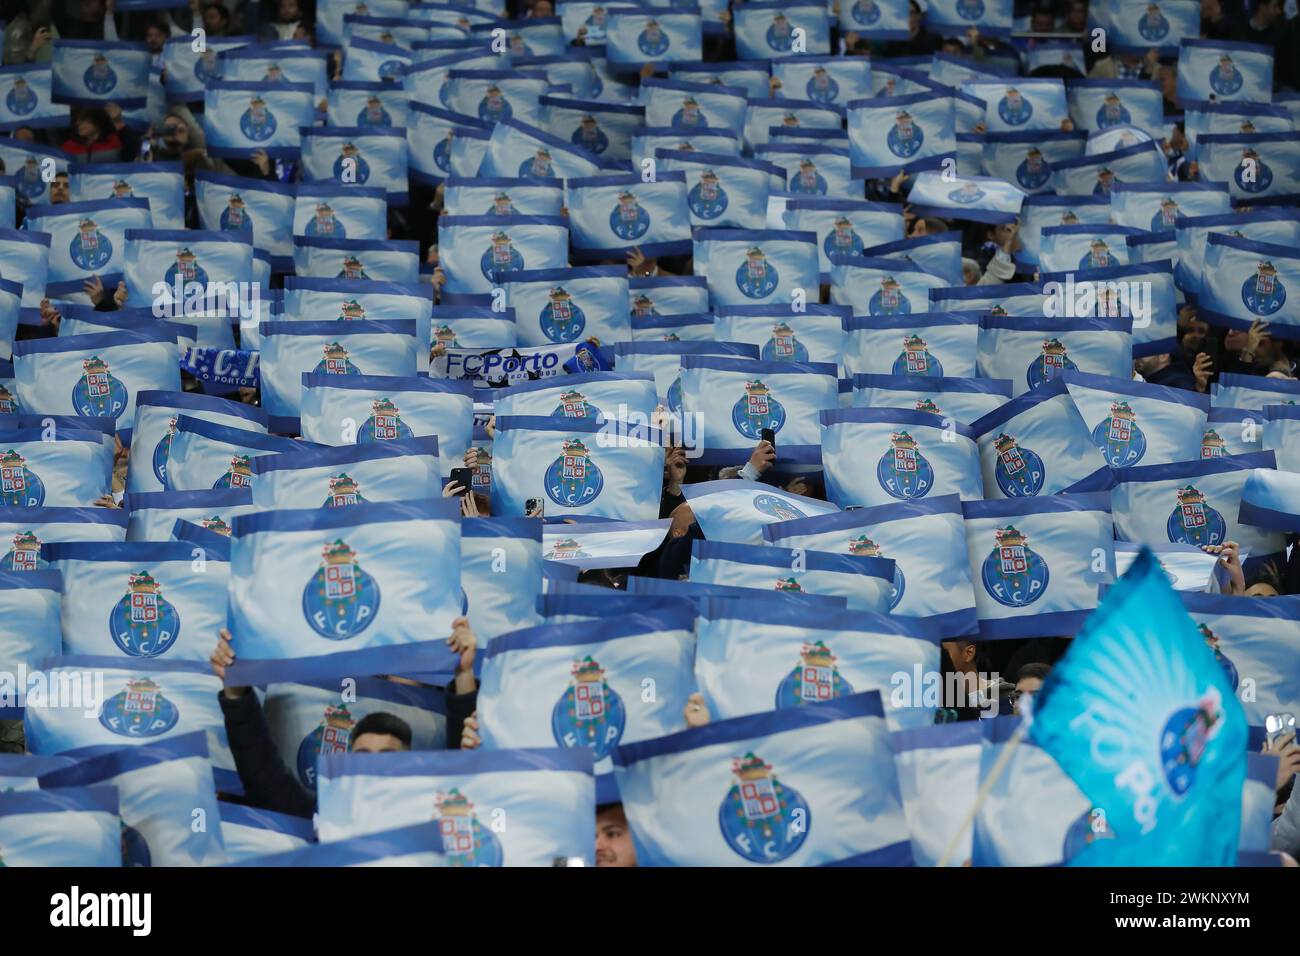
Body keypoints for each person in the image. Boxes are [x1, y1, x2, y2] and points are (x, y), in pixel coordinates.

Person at [208, 617, 480, 817]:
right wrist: (236, 687)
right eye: (361, 758)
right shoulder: (318, 818)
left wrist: (463, 674)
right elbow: (258, 764)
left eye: (388, 758)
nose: (371, 769)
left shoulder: (430, 826)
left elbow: (465, 768)